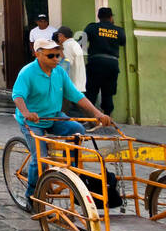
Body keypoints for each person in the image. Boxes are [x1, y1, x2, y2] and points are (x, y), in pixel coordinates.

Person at [13, 38, 112, 206]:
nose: (56, 59)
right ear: (38, 54)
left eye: (58, 55)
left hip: (54, 116)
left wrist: (97, 113)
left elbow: (76, 96)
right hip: (33, 122)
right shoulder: (27, 72)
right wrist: (26, 113)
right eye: (51, 55)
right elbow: (18, 95)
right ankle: (30, 195)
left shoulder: (59, 73)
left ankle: (72, 173)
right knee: (41, 159)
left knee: (77, 129)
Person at [83, 6, 126, 115]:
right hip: (112, 64)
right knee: (108, 93)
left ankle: (91, 118)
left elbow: (81, 43)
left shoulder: (92, 27)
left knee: (92, 91)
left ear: (98, 17)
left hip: (95, 63)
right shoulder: (119, 30)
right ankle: (107, 116)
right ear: (111, 17)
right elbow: (122, 42)